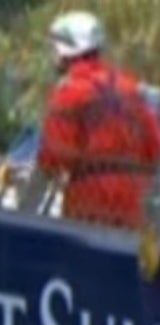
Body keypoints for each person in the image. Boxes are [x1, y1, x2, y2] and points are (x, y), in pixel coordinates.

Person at [36, 10, 160, 230]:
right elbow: (153, 146)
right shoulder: (130, 87)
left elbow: (54, 157)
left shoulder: (69, 91)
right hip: (134, 194)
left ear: (66, 48)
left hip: (89, 192)